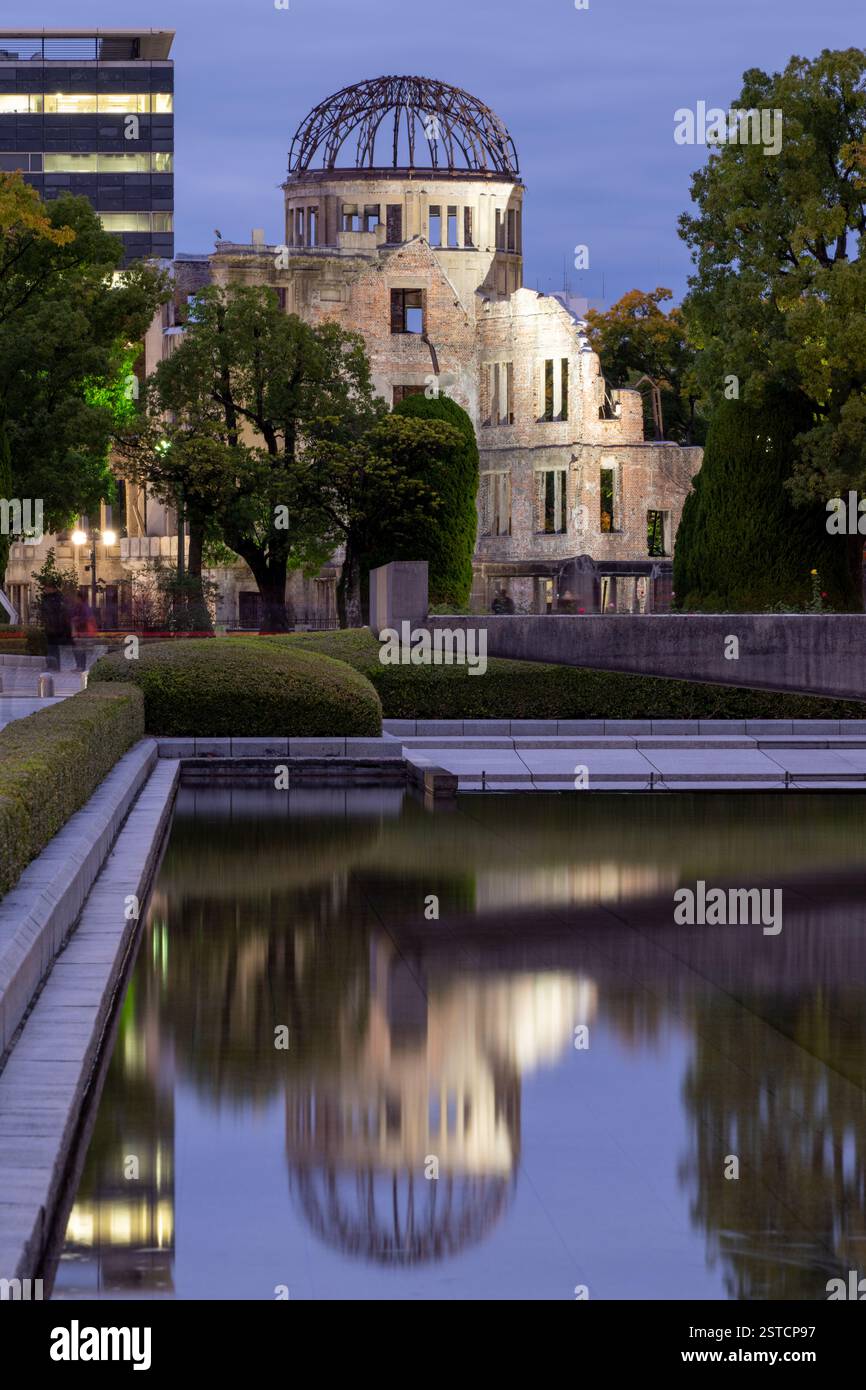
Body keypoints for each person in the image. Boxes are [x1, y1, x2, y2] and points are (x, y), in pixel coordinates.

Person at [40, 578, 73, 671]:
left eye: (47, 588)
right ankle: (52, 665)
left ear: (52, 588)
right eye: (45, 588)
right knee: (50, 647)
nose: (45, 589)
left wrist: (55, 625)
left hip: (54, 627)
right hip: (50, 626)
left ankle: (54, 666)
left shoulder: (57, 599)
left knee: (53, 647)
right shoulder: (48, 598)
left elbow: (59, 613)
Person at [71, 592, 97, 671]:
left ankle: (80, 666)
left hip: (83, 632)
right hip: (82, 632)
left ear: (79, 598)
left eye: (76, 598)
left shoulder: (83, 607)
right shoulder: (82, 607)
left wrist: (76, 620)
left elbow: (85, 619)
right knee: (79, 649)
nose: (74, 599)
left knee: (79, 649)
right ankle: (81, 666)